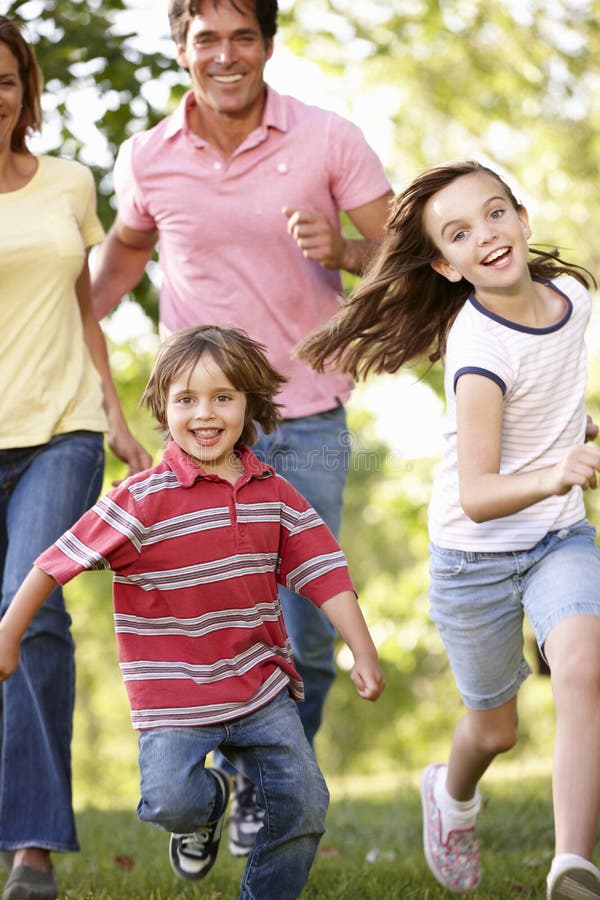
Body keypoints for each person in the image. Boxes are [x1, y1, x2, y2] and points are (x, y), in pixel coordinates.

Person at [90, 0, 393, 852]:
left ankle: (262, 784)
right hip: (196, 431)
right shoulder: (148, 155)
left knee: (311, 639)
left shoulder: (329, 138)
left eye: (243, 37)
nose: (226, 56)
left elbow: (411, 250)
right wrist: (63, 327)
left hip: (306, 418)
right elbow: (117, 260)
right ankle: (203, 786)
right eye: (207, 39)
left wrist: (342, 250)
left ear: (267, 44)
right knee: (197, 629)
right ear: (183, 49)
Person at [297, 160, 600, 899]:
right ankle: (452, 794)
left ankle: (573, 864)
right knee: (496, 731)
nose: (487, 236)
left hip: (559, 538)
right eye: (460, 233)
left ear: (524, 219)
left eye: (496, 214)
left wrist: (575, 435)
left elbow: (553, 400)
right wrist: (557, 470)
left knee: (586, 669)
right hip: (475, 557)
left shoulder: (575, 298)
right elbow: (479, 493)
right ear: (445, 265)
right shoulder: (477, 350)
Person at [0, 325, 385, 900]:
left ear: (250, 403)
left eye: (222, 397)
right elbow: (55, 563)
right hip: (173, 695)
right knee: (170, 803)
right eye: (186, 399)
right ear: (163, 408)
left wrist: (363, 647)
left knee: (305, 804)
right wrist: (9, 633)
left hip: (260, 687)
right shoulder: (141, 500)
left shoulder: (273, 494)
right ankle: (207, 812)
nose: (204, 414)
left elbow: (324, 569)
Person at [0, 16, 152, 900]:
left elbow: (83, 308)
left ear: (27, 90)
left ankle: (31, 846)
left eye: (9, 78)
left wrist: (117, 415)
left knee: (33, 607)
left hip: (63, 427)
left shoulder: (69, 182)